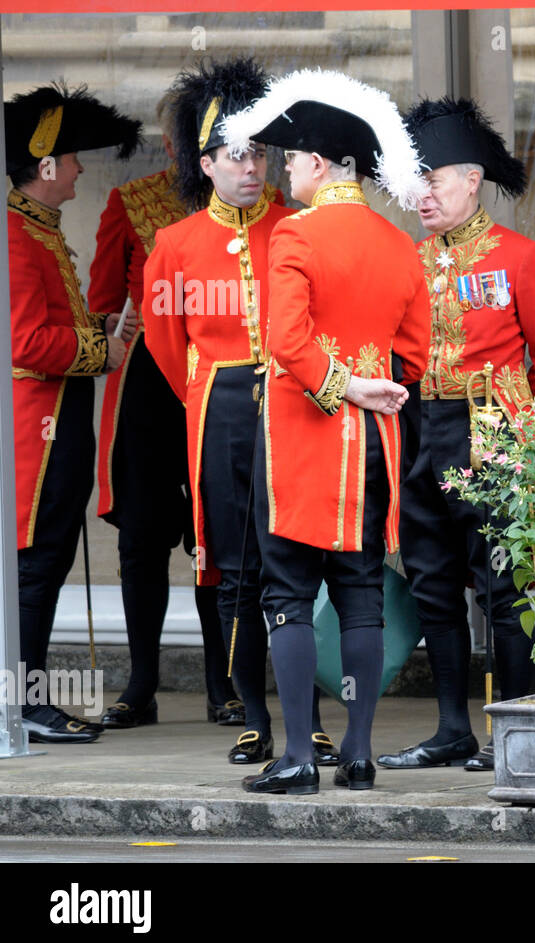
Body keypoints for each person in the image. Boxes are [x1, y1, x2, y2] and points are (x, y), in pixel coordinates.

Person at [220, 68, 431, 794]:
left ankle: (301, 757)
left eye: (289, 160)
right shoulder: (400, 244)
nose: (283, 172)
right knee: (362, 591)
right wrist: (372, 382)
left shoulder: (294, 236)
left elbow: (285, 337)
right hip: (374, 441)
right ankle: (361, 750)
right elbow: (420, 352)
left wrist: (338, 384)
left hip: (302, 440)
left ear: (319, 162)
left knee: (285, 592)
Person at [144, 57, 338, 767]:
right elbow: (169, 349)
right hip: (219, 410)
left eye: (260, 152)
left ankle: (305, 717)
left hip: (291, 402)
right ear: (207, 163)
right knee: (233, 567)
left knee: (297, 561)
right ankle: (251, 712)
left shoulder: (300, 225)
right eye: (236, 155)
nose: (251, 168)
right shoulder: (175, 244)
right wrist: (212, 397)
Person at [378, 98, 535, 772]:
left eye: (432, 178)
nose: (421, 194)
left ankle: (516, 724)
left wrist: (518, 421)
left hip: (491, 429)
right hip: (421, 428)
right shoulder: (404, 261)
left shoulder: (521, 258)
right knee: (432, 582)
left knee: (504, 585)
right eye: (415, 181)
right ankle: (450, 727)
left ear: (471, 179)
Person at [89, 90, 238, 730]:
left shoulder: (255, 206)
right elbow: (101, 299)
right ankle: (142, 682)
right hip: (150, 388)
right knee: (143, 540)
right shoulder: (131, 202)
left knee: (216, 536)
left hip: (223, 382)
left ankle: (223, 682)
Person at [7, 84, 141, 742]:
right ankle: (24, 703)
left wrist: (97, 329)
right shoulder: (16, 238)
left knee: (46, 564)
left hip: (55, 425)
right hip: (35, 432)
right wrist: (103, 348)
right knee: (34, 569)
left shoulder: (40, 233)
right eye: (73, 158)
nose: (81, 168)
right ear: (47, 166)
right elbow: (27, 342)